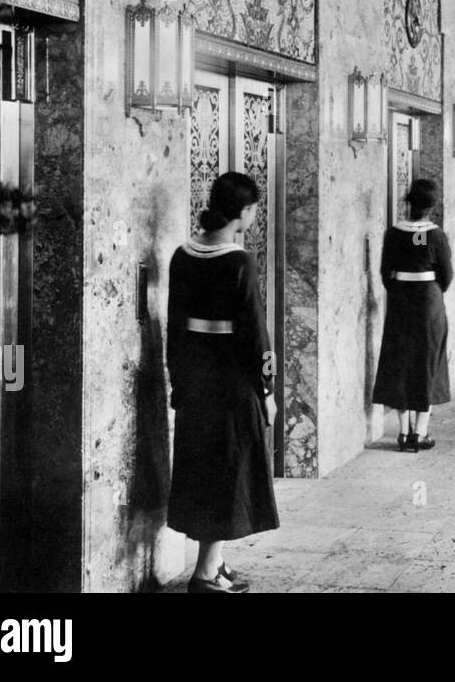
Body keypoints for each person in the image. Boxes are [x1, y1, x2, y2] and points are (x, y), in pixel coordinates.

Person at [167, 171, 278, 594]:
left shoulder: (183, 254)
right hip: (232, 382)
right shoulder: (239, 261)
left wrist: (178, 378)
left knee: (201, 468)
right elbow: (257, 334)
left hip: (195, 377)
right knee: (226, 471)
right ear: (245, 212)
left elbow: (174, 327)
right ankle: (205, 574)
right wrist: (266, 389)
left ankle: (214, 562)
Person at [373, 178, 453, 451]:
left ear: (409, 202)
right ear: (432, 205)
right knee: (428, 362)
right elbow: (447, 275)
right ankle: (420, 432)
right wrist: (429, 290)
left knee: (400, 363)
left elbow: (385, 272)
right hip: (429, 302)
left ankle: (404, 432)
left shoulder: (393, 233)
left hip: (400, 302)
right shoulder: (436, 235)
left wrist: (399, 290)